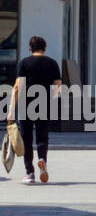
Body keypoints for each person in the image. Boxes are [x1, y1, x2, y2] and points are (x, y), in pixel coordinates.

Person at [7, 36, 61, 184]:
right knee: (43, 137)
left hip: (26, 104)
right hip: (44, 103)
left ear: (30, 48)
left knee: (27, 139)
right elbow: (58, 86)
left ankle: (29, 173)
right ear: (44, 48)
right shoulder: (52, 63)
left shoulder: (24, 63)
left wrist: (11, 110)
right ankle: (42, 159)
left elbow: (18, 87)